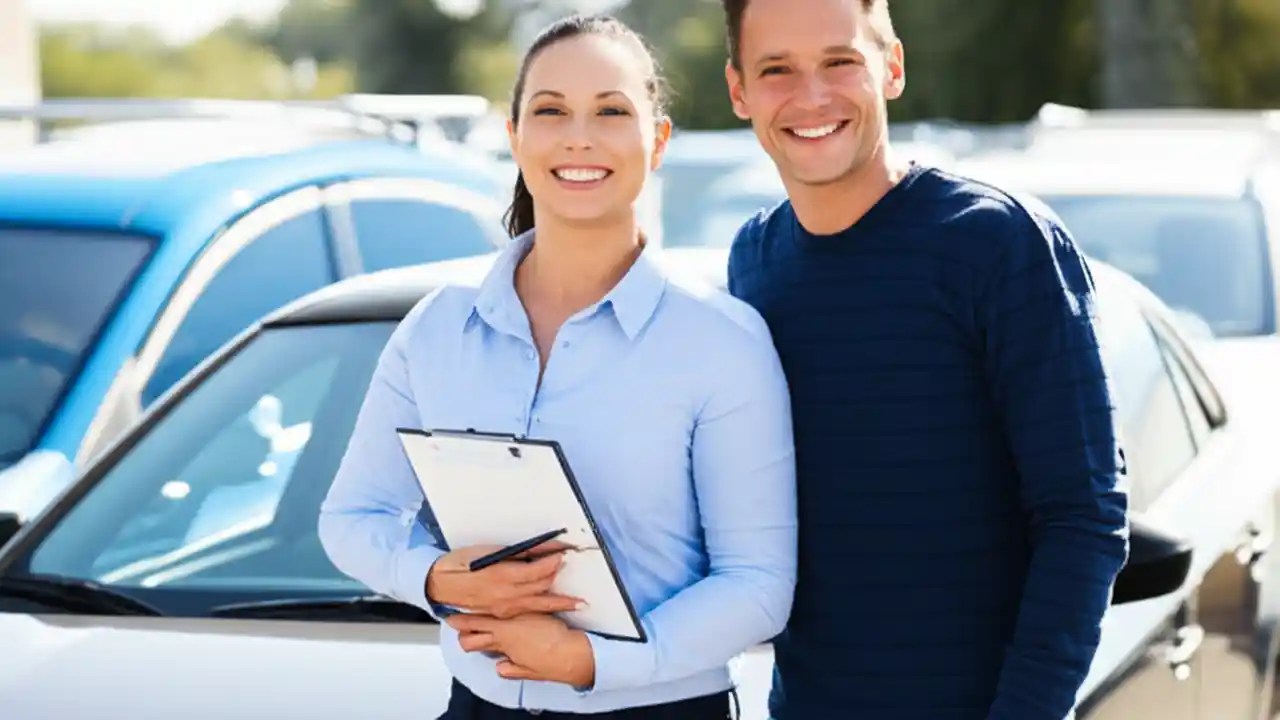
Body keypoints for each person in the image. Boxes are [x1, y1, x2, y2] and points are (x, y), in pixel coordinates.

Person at [318, 14, 797, 720]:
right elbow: (351, 517)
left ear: (656, 140)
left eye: (611, 111)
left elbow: (757, 584)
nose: (579, 136)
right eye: (551, 112)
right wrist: (433, 576)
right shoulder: (437, 329)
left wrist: (594, 662)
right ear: (514, 136)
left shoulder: (722, 343)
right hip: (473, 705)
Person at [718, 1, 1129, 718]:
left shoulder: (996, 242)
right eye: (777, 70)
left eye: (840, 61)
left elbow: (1082, 519)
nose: (811, 96)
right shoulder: (754, 259)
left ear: (893, 67)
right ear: (738, 90)